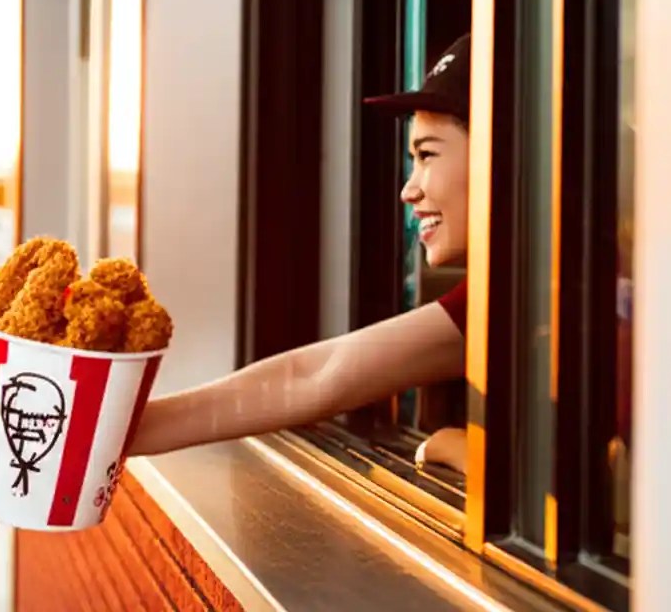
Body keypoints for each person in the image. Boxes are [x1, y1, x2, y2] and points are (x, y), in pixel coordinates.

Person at [129, 34, 474, 470]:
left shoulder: (566, 312)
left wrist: (448, 445)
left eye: (426, 155)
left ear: (507, 153)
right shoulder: (495, 304)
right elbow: (315, 375)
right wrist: (116, 432)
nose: (410, 188)